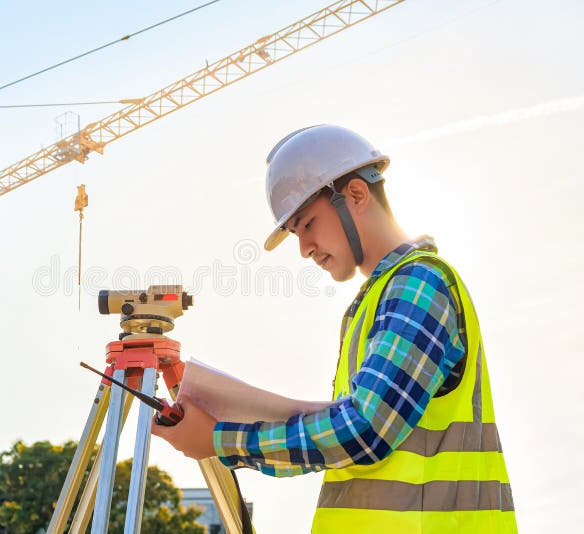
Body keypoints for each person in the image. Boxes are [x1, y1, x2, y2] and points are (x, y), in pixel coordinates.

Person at [151, 125, 516, 532]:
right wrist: (220, 434)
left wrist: (221, 439)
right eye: (295, 233)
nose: (304, 249)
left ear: (356, 195)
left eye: (307, 225)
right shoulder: (377, 300)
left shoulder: (419, 285)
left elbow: (364, 431)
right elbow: (340, 445)